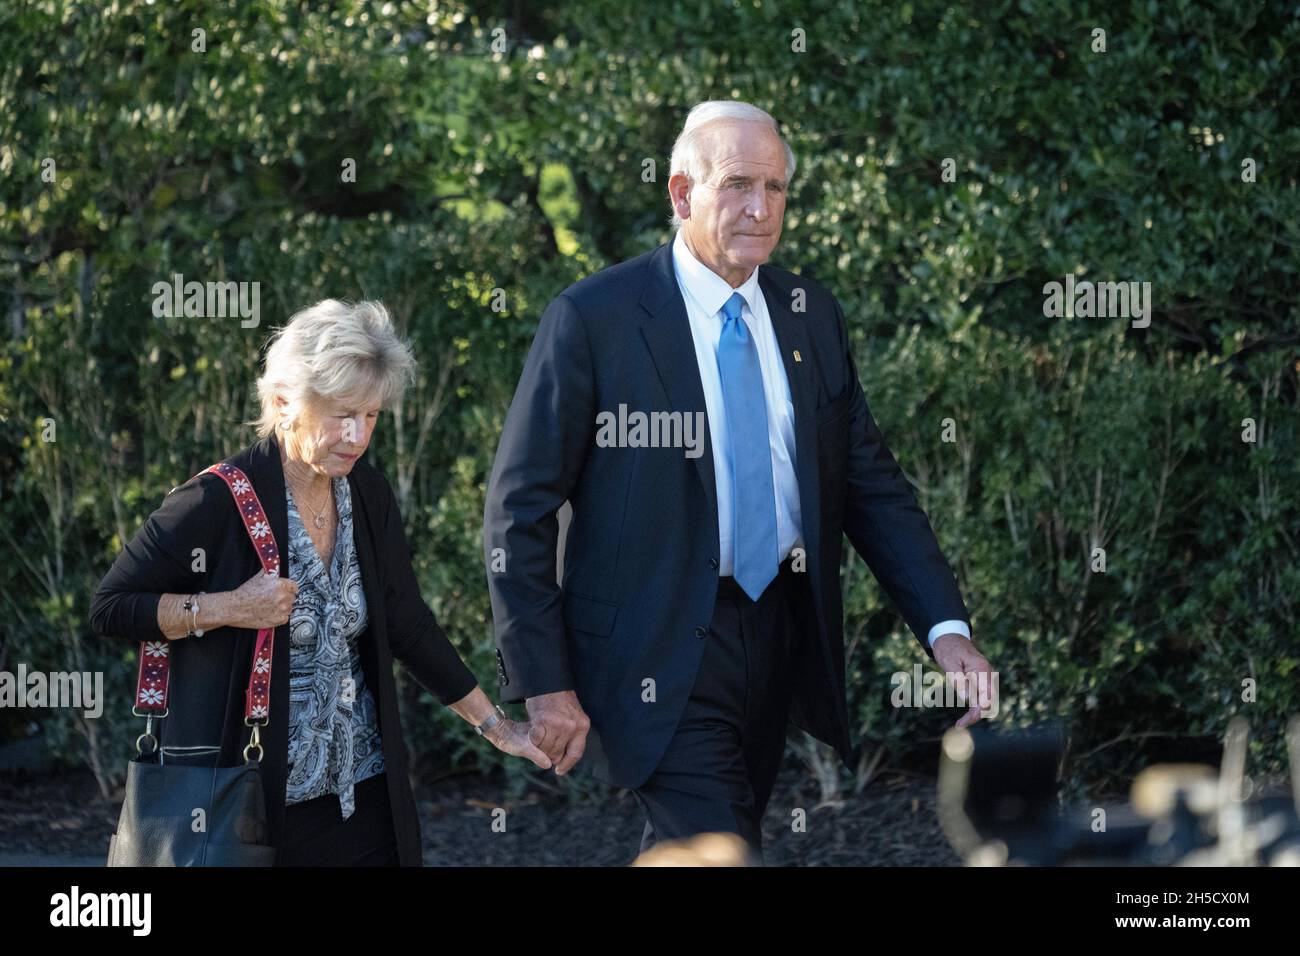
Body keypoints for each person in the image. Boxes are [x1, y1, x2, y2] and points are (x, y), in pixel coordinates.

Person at [483, 100, 995, 859]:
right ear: (682, 194)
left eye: (777, 188)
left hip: (778, 629)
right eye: (737, 186)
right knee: (717, 840)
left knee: (727, 838)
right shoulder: (596, 318)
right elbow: (517, 510)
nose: (761, 208)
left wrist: (946, 630)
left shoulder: (808, 314)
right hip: (657, 647)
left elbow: (870, 485)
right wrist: (544, 681)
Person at [91, 298, 549, 866]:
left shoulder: (367, 493)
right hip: (251, 806)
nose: (357, 435)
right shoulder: (213, 502)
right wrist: (228, 606)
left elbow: (407, 624)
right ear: (284, 403)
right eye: (340, 413)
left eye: (372, 415)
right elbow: (111, 606)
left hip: (364, 794)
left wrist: (498, 728)